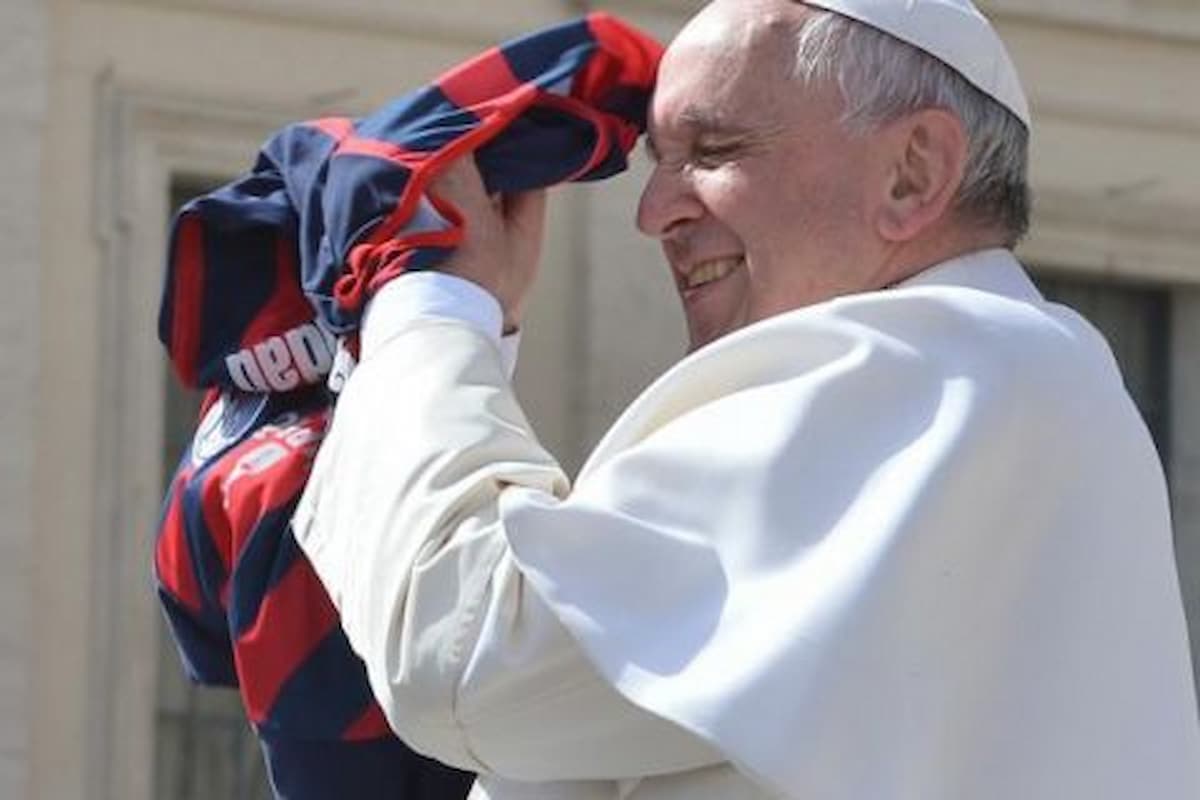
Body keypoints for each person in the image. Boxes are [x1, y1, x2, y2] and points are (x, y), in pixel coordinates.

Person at [293, 1, 1200, 797]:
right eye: (658, 160)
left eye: (715, 150)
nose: (654, 212)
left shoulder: (951, 367)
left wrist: (429, 304)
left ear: (913, 171)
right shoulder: (1002, 378)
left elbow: (465, 655)